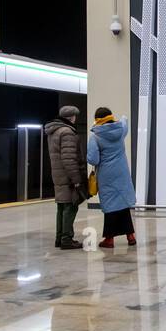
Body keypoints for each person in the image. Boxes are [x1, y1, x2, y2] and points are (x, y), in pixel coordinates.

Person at [87, 107, 137, 248]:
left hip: (107, 175)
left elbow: (93, 159)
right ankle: (130, 236)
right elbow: (124, 121)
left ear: (96, 120)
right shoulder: (120, 130)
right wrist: (123, 117)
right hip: (122, 172)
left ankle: (109, 239)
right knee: (122, 204)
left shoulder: (95, 136)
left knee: (110, 207)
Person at [44, 104, 86, 249]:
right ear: (72, 117)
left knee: (61, 207)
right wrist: (76, 179)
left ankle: (59, 238)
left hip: (58, 174)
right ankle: (67, 239)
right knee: (70, 206)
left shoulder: (54, 132)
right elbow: (69, 159)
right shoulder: (67, 132)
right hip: (67, 177)